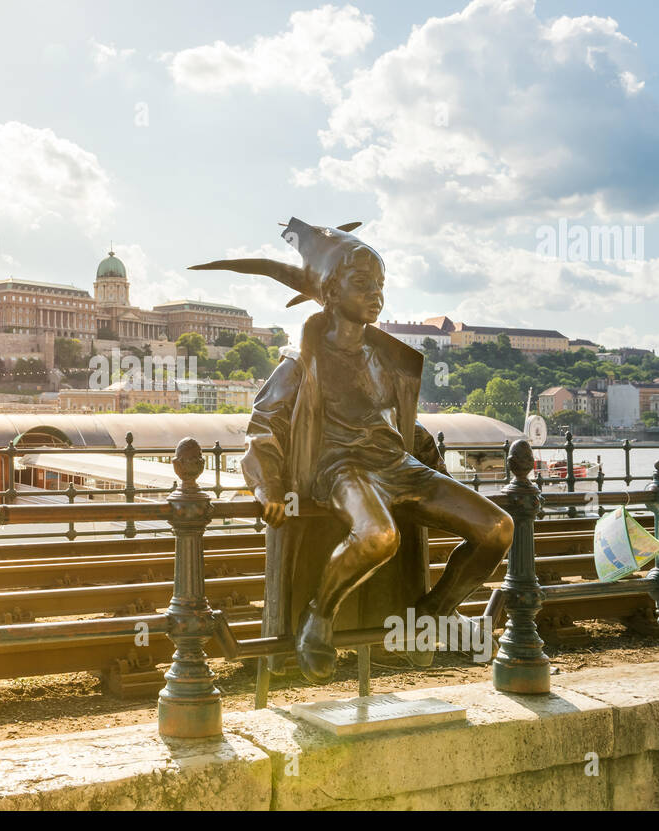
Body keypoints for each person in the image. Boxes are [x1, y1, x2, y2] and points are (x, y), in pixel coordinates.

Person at [192, 218, 513, 682]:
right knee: (378, 536)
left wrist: (434, 465)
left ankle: (433, 612)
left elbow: (399, 422)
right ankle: (318, 617)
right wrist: (269, 487)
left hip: (396, 465)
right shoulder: (303, 358)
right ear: (331, 290)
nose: (375, 294)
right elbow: (264, 424)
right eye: (361, 284)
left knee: (498, 528)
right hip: (340, 468)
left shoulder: (386, 358)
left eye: (379, 284)